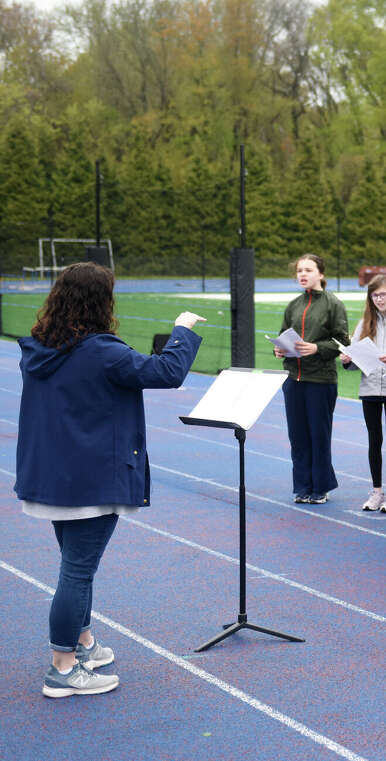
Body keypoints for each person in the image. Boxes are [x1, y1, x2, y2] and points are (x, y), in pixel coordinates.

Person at [16, 262, 203, 698]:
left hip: (53, 477)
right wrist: (182, 329)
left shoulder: (42, 346)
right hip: (90, 479)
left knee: (75, 566)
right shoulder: (100, 350)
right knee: (78, 571)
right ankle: (62, 668)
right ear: (101, 301)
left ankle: (82, 644)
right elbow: (166, 373)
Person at [275, 253, 348, 504]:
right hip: (293, 379)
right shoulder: (293, 305)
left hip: (320, 380)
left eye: (308, 270)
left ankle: (321, 487)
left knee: (318, 435)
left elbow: (341, 342)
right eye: (299, 271)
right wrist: (279, 348)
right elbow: (283, 334)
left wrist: (317, 348)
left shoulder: (333, 304)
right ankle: (302, 486)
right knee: (297, 436)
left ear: (321, 274)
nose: (302, 274)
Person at [340, 275, 386, 513]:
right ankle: (376, 491)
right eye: (375, 295)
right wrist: (348, 360)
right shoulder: (364, 325)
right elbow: (354, 361)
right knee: (374, 440)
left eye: (383, 294)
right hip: (369, 389)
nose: (380, 299)